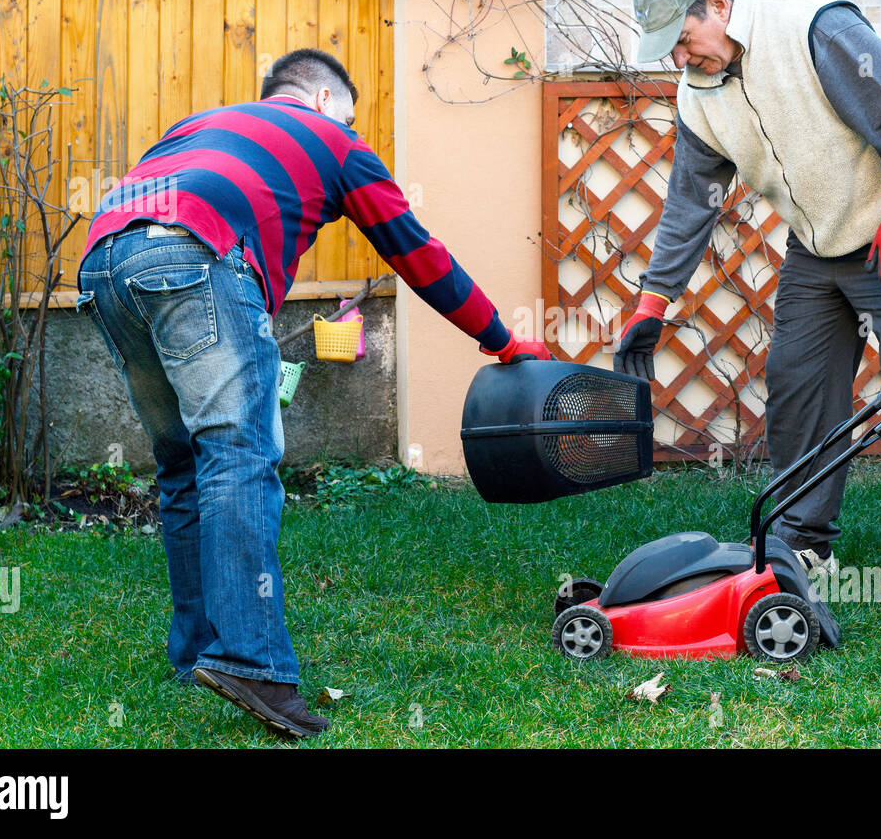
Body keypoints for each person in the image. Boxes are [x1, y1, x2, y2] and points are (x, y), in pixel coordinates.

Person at [76, 48, 548, 739]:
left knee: (182, 462)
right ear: (325, 102)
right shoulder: (335, 140)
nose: (354, 131)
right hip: (198, 253)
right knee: (238, 454)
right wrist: (502, 338)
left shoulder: (204, 122)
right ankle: (251, 661)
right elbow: (417, 253)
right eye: (350, 117)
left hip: (106, 260)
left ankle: (195, 652)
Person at [613, 0, 881, 619]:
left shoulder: (813, 27)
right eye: (665, 49)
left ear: (719, 8)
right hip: (819, 240)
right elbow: (691, 200)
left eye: (682, 40)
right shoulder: (699, 90)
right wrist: (652, 300)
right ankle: (806, 544)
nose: (678, 59)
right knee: (797, 383)